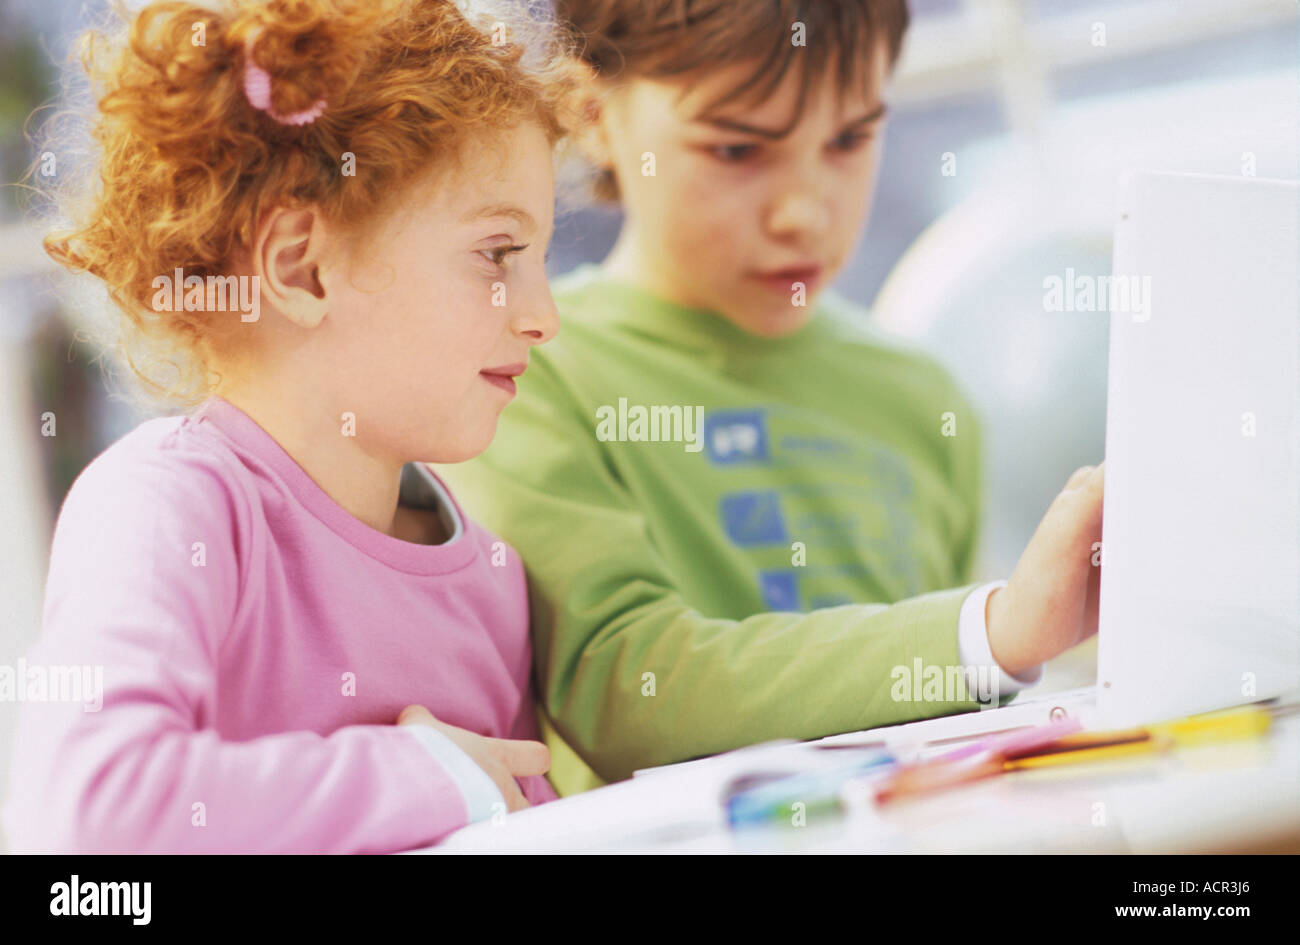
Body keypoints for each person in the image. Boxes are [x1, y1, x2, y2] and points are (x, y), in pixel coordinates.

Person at [440, 0, 1105, 795]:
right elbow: (627, 694)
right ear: (593, 116)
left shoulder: (921, 396)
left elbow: (965, 730)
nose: (804, 212)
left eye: (850, 138)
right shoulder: (527, 373)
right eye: (737, 148)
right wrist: (987, 634)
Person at [4, 0, 572, 853]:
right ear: (301, 268)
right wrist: (418, 775)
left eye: (541, 260)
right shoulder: (164, 505)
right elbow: (89, 808)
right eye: (498, 254)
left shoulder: (489, 575)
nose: (543, 317)